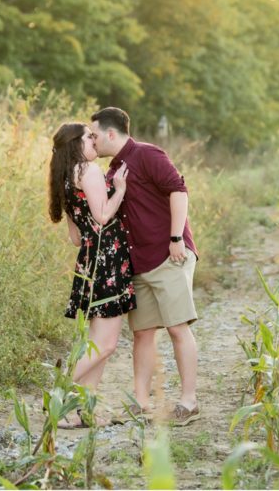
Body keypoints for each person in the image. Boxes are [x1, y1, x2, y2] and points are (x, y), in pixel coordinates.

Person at [89, 107, 201, 426]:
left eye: (95, 135)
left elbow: (178, 191)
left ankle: (189, 402)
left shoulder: (148, 154)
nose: (92, 141)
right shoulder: (114, 170)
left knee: (178, 327)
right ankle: (140, 402)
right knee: (143, 333)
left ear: (111, 133)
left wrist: (176, 237)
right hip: (138, 263)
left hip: (169, 255)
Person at [47, 122, 133, 428]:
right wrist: (119, 190)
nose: (94, 141)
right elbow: (103, 215)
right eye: (88, 137)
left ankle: (85, 410)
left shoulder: (65, 177)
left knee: (97, 344)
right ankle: (56, 397)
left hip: (88, 260)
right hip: (107, 260)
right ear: (76, 144)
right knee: (106, 344)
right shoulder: (89, 170)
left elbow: (75, 237)